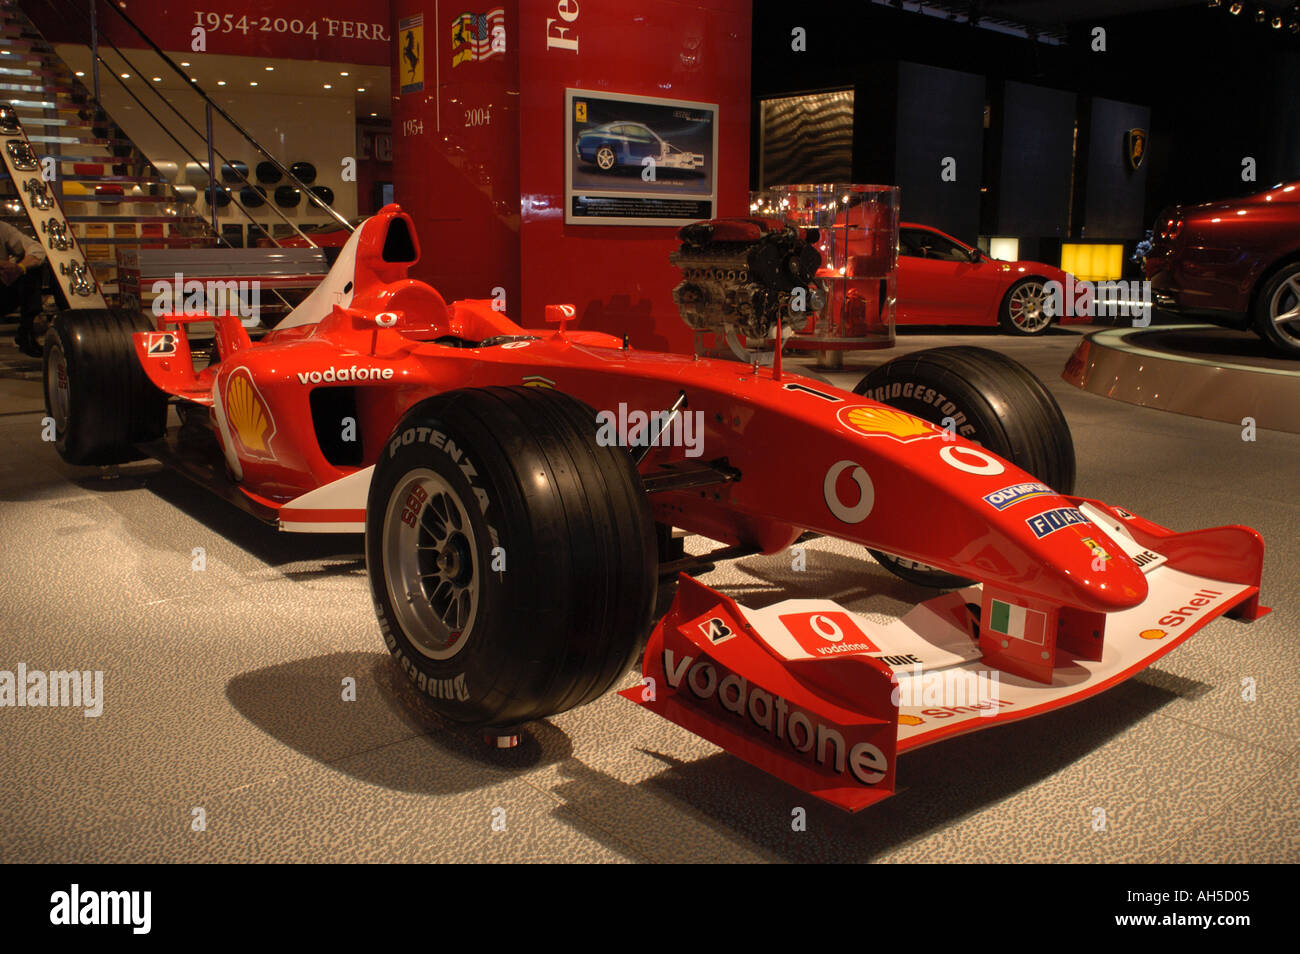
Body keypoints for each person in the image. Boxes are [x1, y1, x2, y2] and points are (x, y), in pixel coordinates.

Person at [0, 220, 48, 357]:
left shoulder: (2, 228)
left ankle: (26, 333)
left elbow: (36, 249)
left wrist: (19, 268)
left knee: (31, 271)